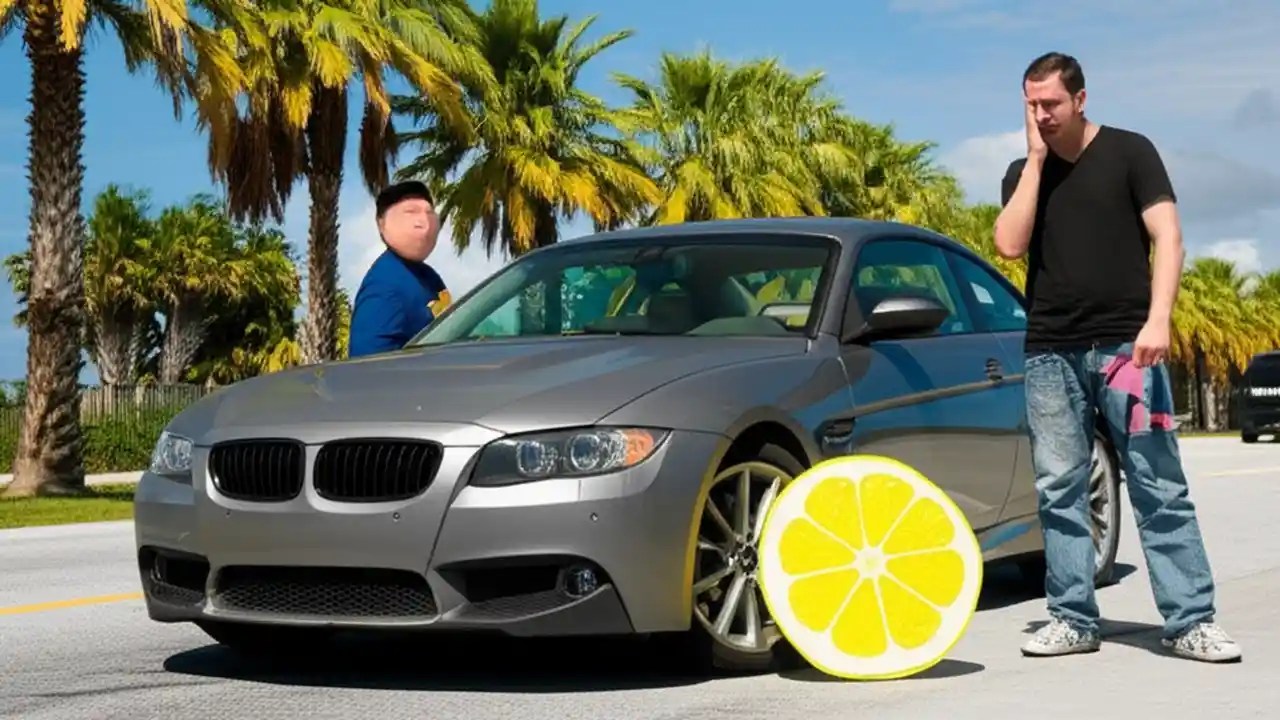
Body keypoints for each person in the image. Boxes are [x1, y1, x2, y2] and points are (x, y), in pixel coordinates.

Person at [994, 52, 1241, 663]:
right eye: (1031, 104)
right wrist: (1035, 161)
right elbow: (1008, 245)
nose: (1041, 114)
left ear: (1080, 99)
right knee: (1060, 490)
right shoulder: (1025, 172)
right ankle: (1072, 618)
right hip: (1050, 354)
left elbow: (1169, 237)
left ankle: (1191, 620)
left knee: (1159, 485)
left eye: (1051, 103)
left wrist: (1158, 320)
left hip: (1128, 352)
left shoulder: (1131, 152)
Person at [348, 180, 452, 358]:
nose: (424, 222)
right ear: (382, 224)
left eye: (429, 212)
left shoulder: (429, 276)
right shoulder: (384, 286)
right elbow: (366, 363)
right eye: (410, 212)